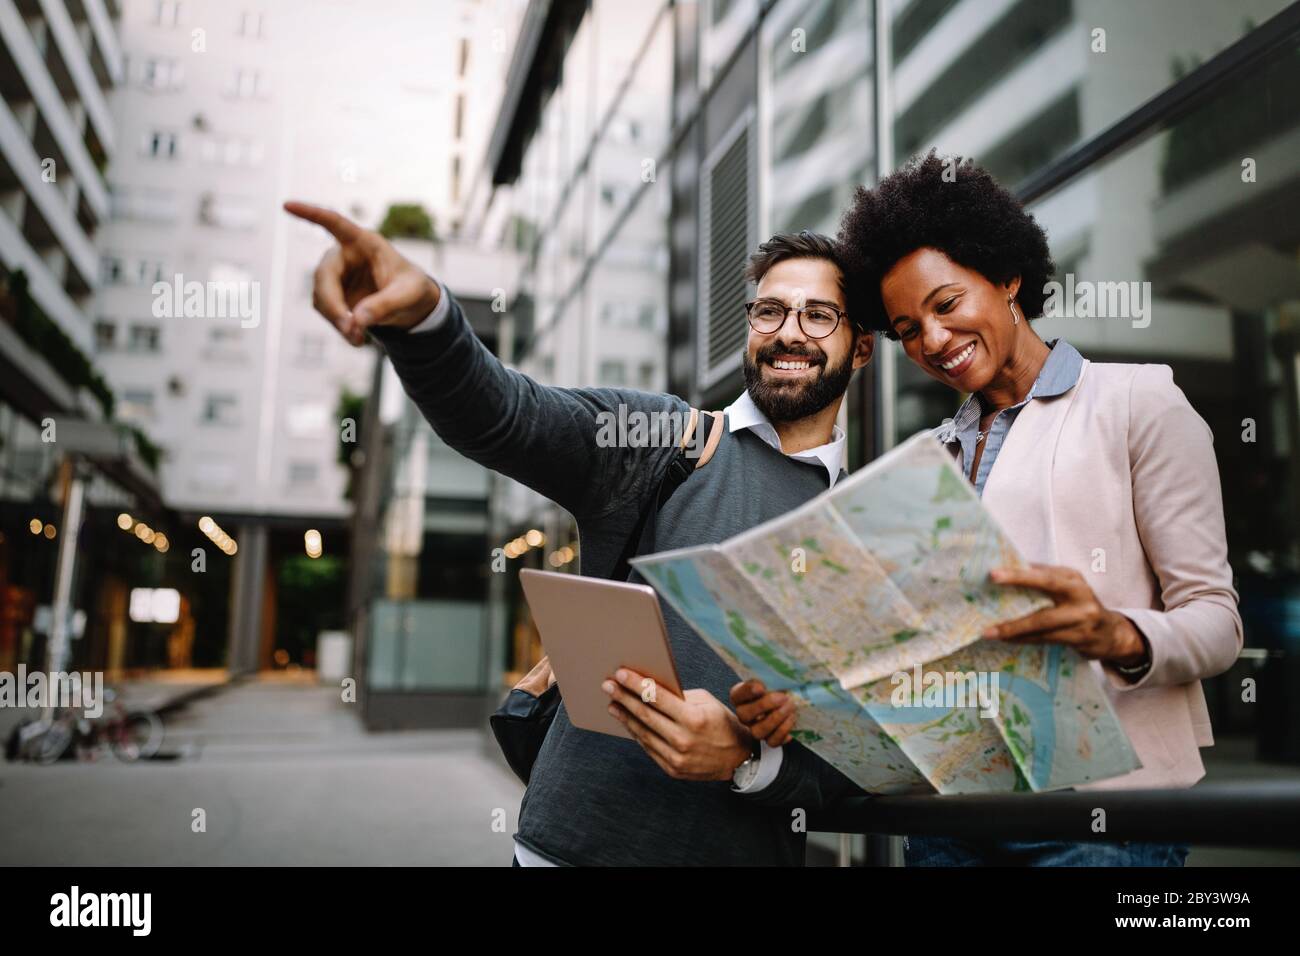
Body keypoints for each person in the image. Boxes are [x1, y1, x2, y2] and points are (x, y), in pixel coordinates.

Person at [285, 201, 871, 865]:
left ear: (863, 348)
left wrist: (749, 757)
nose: (788, 332)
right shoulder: (667, 442)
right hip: (569, 850)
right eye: (769, 310)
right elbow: (505, 414)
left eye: (818, 314)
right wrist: (426, 320)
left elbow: (869, 760)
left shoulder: (865, 532)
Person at [731, 152, 1243, 866]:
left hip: (1100, 818)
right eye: (908, 329)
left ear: (1008, 278)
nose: (933, 341)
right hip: (950, 816)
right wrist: (809, 704)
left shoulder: (1138, 404)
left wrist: (1117, 634)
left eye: (946, 306)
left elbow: (1217, 624)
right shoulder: (928, 459)